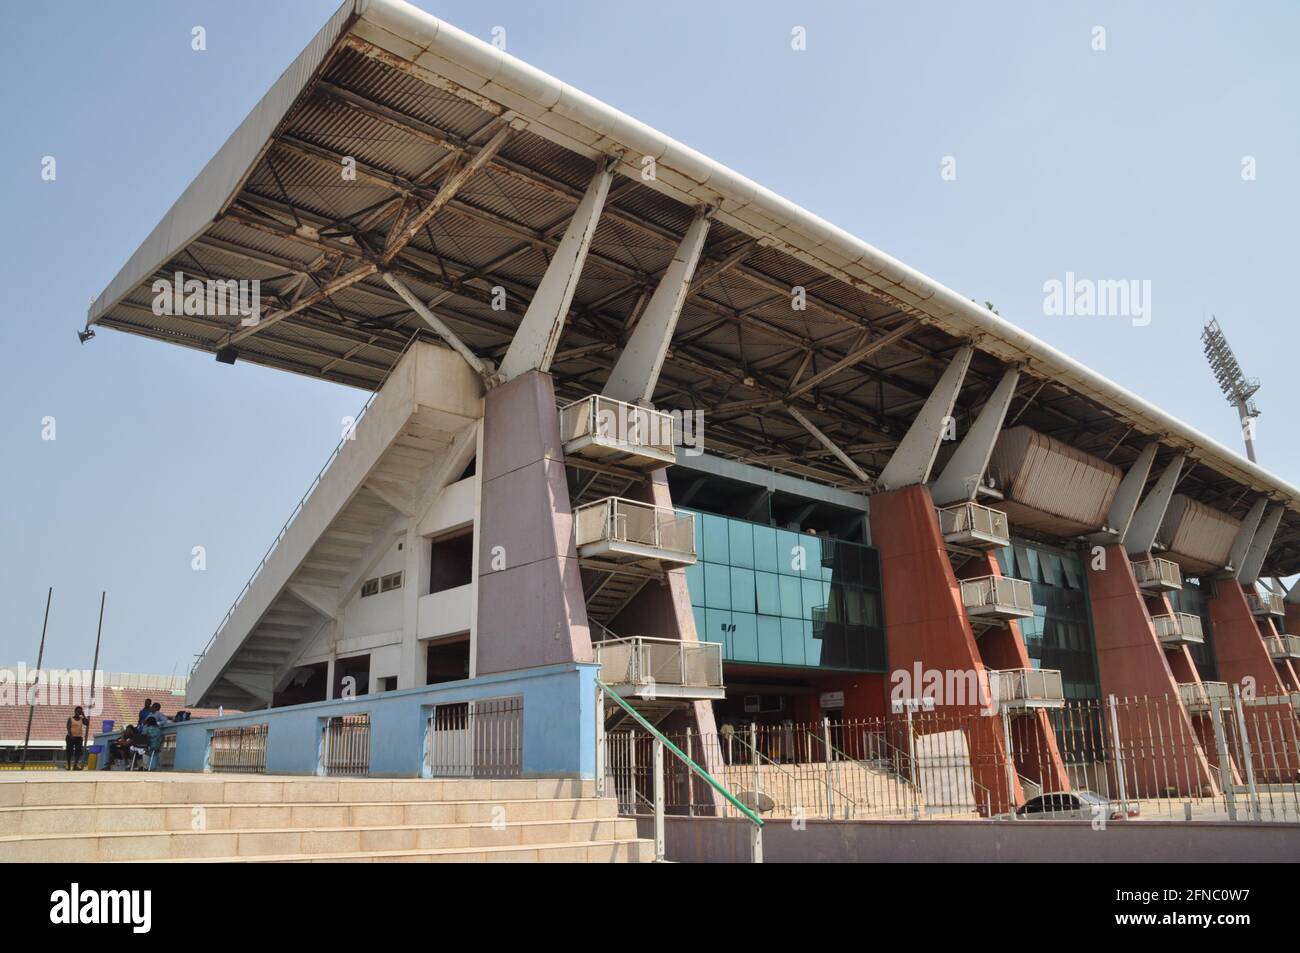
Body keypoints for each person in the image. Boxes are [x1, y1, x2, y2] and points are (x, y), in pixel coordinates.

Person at [65, 706, 90, 771]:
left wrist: (84, 715)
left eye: (80, 711)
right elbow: (68, 727)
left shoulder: (82, 719)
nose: (79, 712)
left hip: (79, 737)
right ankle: (69, 765)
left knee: (78, 751)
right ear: (75, 711)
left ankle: (75, 765)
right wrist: (71, 736)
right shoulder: (70, 718)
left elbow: (87, 723)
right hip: (70, 737)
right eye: (78, 711)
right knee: (69, 751)